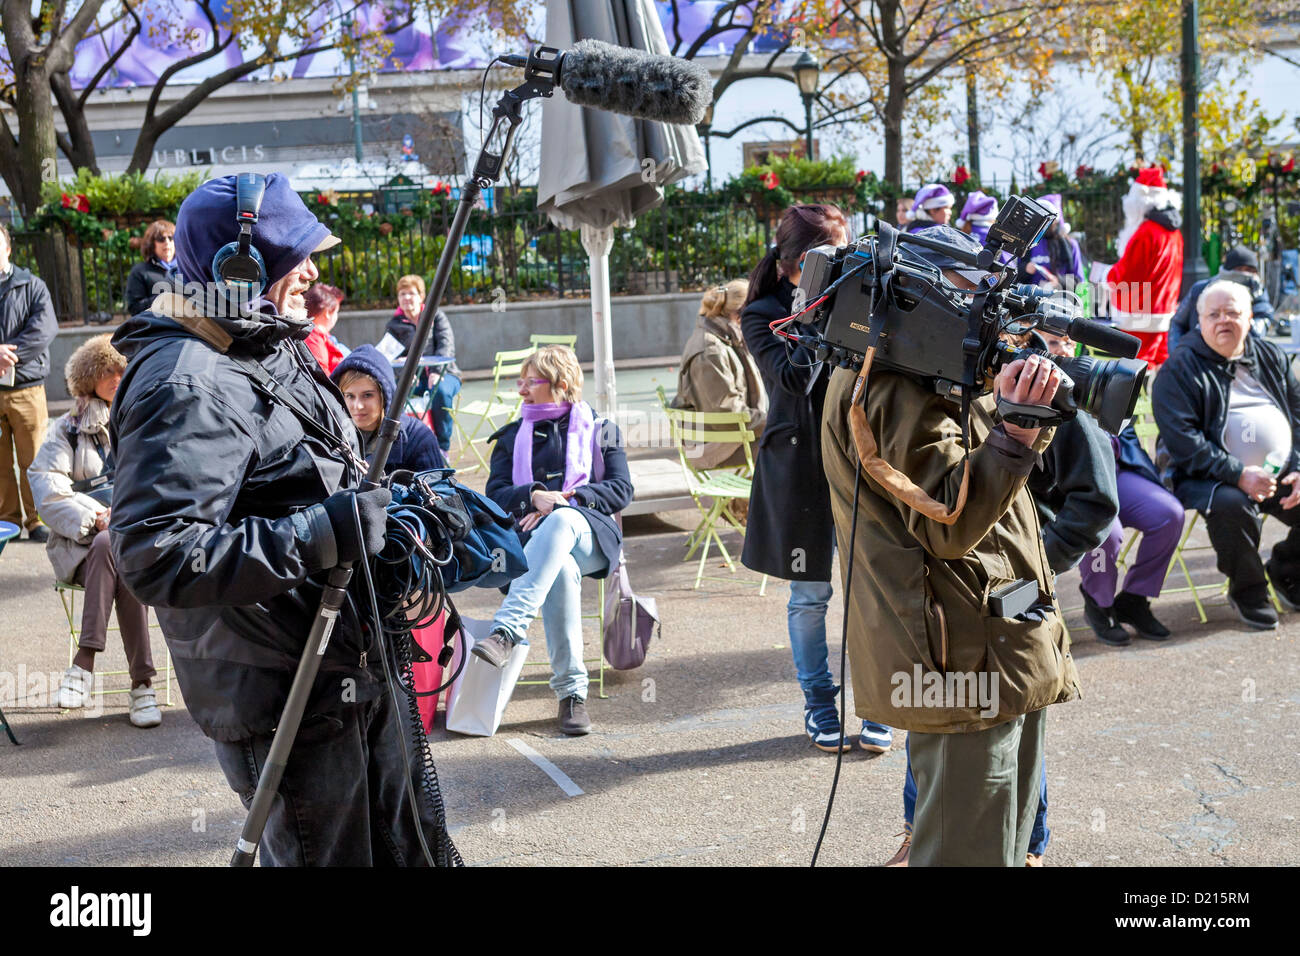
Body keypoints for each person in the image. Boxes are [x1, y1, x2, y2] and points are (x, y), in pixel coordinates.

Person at [109, 172, 452, 866]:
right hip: (289, 696)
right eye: (296, 253)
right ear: (240, 266)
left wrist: (406, 506)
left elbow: (319, 473)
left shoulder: (265, 339)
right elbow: (156, 552)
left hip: (353, 664)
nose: (312, 270)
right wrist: (321, 535)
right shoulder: (187, 379)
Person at [822, 223, 1081, 866]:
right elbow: (948, 522)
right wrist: (1016, 434)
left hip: (999, 635)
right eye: (970, 292)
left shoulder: (935, 373)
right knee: (968, 850)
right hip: (960, 661)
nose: (984, 315)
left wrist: (1021, 417)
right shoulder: (886, 387)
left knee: (1006, 840)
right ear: (918, 293)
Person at [740, 203, 893, 755]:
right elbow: (792, 378)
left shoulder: (860, 297)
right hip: (801, 468)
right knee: (811, 595)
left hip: (862, 463)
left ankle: (879, 702)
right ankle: (819, 701)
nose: (848, 263)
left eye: (850, 251)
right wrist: (812, 311)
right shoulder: (762, 311)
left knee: (872, 588)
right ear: (801, 262)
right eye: (836, 255)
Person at [470, 345, 634, 736]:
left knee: (561, 521)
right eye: (520, 381)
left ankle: (506, 631)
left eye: (531, 382)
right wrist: (533, 495)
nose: (521, 390)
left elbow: (621, 488)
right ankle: (572, 696)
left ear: (561, 385)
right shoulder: (510, 437)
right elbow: (494, 494)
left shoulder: (602, 428)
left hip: (592, 535)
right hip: (531, 546)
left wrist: (568, 499)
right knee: (559, 569)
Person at [27, 334, 160, 727]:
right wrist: (99, 516)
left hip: (138, 540)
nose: (118, 377)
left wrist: (123, 521)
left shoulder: (144, 420)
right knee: (109, 545)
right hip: (81, 546)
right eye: (107, 370)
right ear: (89, 377)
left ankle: (83, 665)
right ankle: (143, 687)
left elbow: (163, 481)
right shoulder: (65, 430)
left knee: (116, 546)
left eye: (123, 369)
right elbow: (46, 487)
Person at [1152, 279, 1300, 631]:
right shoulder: (1178, 369)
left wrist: (1297, 467)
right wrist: (1238, 473)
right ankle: (1248, 592)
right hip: (1204, 474)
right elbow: (1183, 442)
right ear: (1199, 320)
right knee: (1233, 504)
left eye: (1233, 313)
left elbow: (1297, 415)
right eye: (1213, 314)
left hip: (1277, 472)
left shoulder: (1270, 356)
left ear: (1249, 318)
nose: (1223, 321)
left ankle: (1287, 572)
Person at [671, 279, 768, 470]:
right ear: (740, 315)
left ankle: (744, 501)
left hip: (725, 439)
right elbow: (728, 417)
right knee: (793, 445)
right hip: (712, 447)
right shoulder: (710, 351)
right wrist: (775, 421)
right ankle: (751, 500)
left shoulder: (726, 339)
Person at [0, 220, 57, 542]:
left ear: (8, 248)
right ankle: (7, 521)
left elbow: (44, 329)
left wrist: (8, 356)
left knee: (33, 460)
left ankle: (37, 521)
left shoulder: (32, 285)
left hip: (26, 388)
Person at [1106, 166, 1184, 367]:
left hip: (1142, 306)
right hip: (1163, 303)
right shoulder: (1173, 232)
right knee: (1160, 359)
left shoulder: (1146, 232)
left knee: (1139, 361)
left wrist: (1108, 275)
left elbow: (1130, 272)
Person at [330, 344, 446, 473]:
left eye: (367, 395)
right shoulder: (329, 437)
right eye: (350, 396)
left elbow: (439, 490)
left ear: (386, 396)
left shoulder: (418, 438)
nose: (358, 406)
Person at [384, 274, 461, 454]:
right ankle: (405, 446)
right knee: (392, 395)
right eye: (402, 294)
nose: (406, 298)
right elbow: (390, 356)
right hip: (414, 379)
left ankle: (443, 448)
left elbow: (446, 345)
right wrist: (405, 376)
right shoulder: (394, 324)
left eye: (411, 293)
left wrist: (435, 371)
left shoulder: (437, 316)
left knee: (440, 392)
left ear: (421, 296)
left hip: (445, 374)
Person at [1168, 247, 1274, 351]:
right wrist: (1178, 353)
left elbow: (1259, 330)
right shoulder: (1200, 290)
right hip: (1197, 357)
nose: (1223, 320)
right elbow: (1178, 323)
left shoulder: (1257, 292)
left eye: (1250, 271)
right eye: (1240, 270)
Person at [1019, 195, 1085, 292]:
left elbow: (1079, 281)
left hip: (1061, 301)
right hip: (1030, 302)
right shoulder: (1027, 243)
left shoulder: (1070, 244)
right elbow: (1014, 275)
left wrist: (1059, 281)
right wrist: (1025, 269)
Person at [124, 219, 183, 317]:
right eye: (161, 239)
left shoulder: (186, 268)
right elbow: (134, 308)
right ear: (151, 244)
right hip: (159, 328)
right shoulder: (139, 272)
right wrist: (164, 299)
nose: (167, 242)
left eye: (171, 238)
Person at [304, 283, 347, 374]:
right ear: (327, 313)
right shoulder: (314, 338)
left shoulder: (319, 336)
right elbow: (322, 376)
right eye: (336, 312)